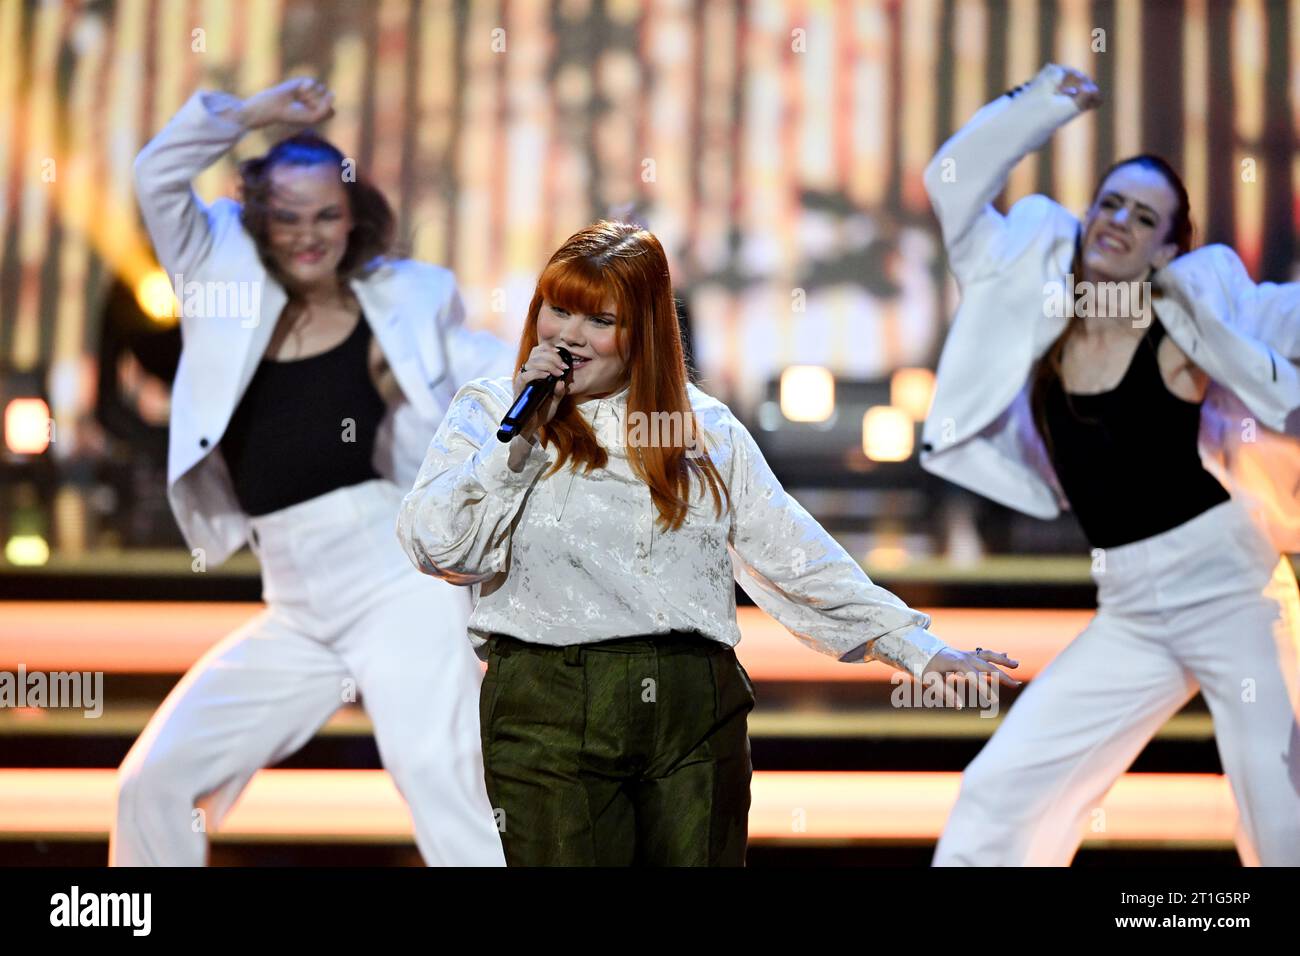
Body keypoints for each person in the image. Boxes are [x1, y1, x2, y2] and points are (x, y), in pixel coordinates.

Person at [396, 220, 1020, 866]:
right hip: (546, 705)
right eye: (559, 310)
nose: (569, 336)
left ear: (644, 329)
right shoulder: (491, 413)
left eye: (600, 320)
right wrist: (519, 442)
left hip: (691, 707)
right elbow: (437, 546)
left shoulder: (705, 431)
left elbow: (794, 554)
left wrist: (917, 648)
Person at [111, 78, 511, 866]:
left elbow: (492, 375)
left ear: (353, 216)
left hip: (396, 582)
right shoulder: (213, 274)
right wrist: (255, 115)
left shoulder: (401, 302)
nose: (307, 235)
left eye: (326, 215)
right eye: (287, 217)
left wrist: (573, 370)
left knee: (441, 775)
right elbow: (156, 172)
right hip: (293, 603)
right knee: (151, 782)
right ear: (258, 218)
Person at [921, 63, 1300, 865]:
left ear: (1169, 246)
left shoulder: (1191, 315)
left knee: (1283, 816)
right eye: (1110, 204)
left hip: (1235, 592)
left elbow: (1285, 318)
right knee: (1002, 793)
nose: (1119, 221)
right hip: (1130, 604)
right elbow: (950, 182)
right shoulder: (1035, 296)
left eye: (1144, 216)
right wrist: (1043, 104)